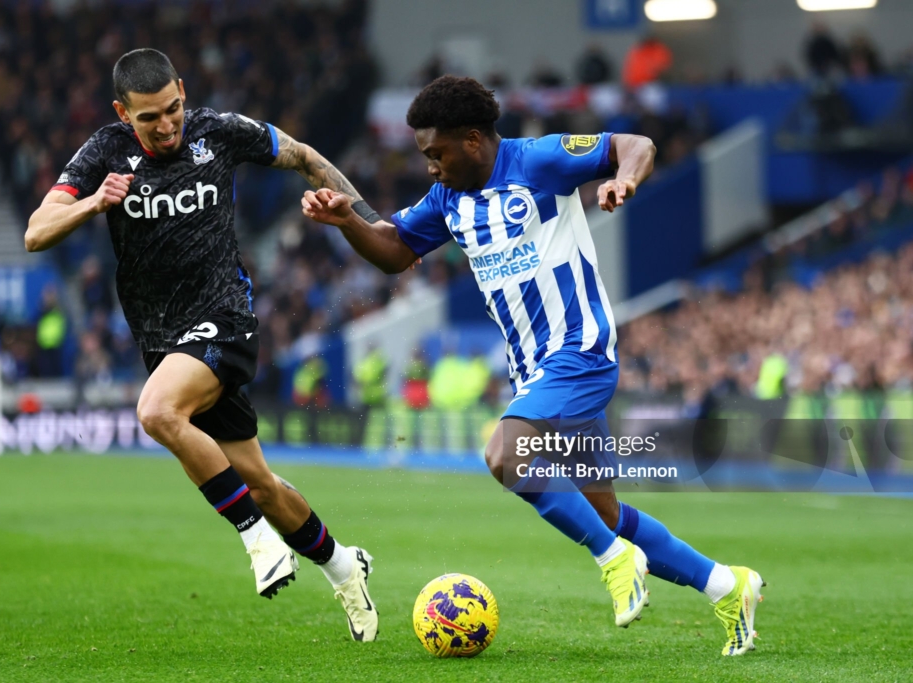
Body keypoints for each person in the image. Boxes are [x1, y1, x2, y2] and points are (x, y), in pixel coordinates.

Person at [302, 75, 764, 656]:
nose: (430, 167)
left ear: (473, 140)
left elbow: (636, 144)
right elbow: (394, 251)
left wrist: (623, 179)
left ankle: (615, 561)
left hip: (581, 352)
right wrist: (347, 220)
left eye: (436, 153)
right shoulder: (447, 200)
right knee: (605, 511)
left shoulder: (539, 160)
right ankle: (728, 586)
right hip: (536, 373)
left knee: (505, 452)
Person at [24, 49, 377, 641]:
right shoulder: (104, 153)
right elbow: (36, 231)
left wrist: (367, 218)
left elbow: (304, 156)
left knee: (156, 412)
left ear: (184, 92)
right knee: (262, 484)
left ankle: (256, 538)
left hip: (225, 320)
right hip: (165, 343)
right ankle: (345, 565)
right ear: (122, 112)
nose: (166, 126)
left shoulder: (221, 131)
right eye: (149, 118)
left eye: (173, 109)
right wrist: (93, 202)